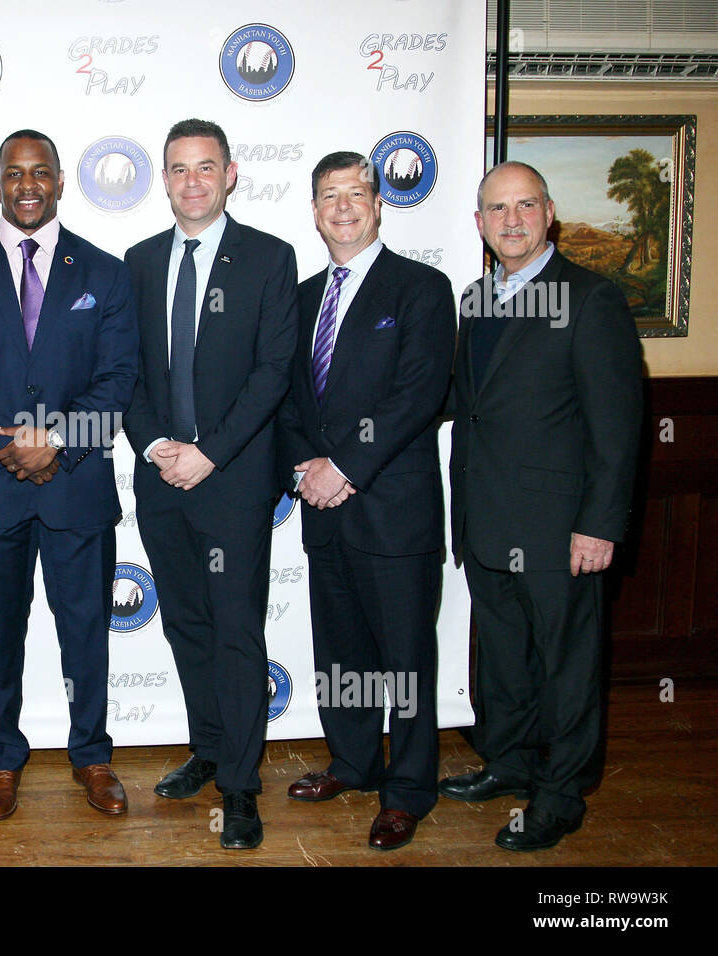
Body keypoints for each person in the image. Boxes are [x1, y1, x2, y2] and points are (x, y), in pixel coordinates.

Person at [0, 129, 138, 822]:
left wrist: (57, 443)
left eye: (40, 171)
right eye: (14, 173)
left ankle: (93, 756)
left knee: (86, 633)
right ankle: (1, 758)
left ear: (59, 182)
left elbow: (118, 381)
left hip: (77, 487)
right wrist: (12, 449)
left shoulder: (105, 274)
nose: (27, 184)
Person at [440, 160, 642, 850]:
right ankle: (510, 763)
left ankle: (560, 794)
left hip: (560, 528)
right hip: (485, 518)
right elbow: (470, 404)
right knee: (504, 658)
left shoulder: (591, 299)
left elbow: (617, 426)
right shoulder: (476, 298)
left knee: (567, 666)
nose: (512, 220)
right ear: (480, 223)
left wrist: (599, 525)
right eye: (498, 209)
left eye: (525, 205)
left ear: (549, 213)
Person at [122, 118, 297, 849]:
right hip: (161, 477)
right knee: (187, 623)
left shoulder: (269, 257)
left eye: (205, 167)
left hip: (233, 481)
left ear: (230, 175)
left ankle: (242, 785)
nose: (191, 181)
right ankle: (212, 747)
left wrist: (210, 454)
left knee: (235, 630)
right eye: (178, 168)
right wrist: (157, 445)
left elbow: (273, 372)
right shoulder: (138, 262)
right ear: (164, 179)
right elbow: (127, 371)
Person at [276, 151, 456, 850]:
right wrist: (307, 469)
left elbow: (418, 393)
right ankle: (353, 762)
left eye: (357, 193)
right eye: (330, 195)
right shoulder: (300, 298)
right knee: (341, 654)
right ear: (314, 211)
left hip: (392, 510)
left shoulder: (421, 288)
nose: (343, 206)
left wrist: (345, 467)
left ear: (379, 205)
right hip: (323, 511)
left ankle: (408, 789)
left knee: (404, 659)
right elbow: (289, 399)